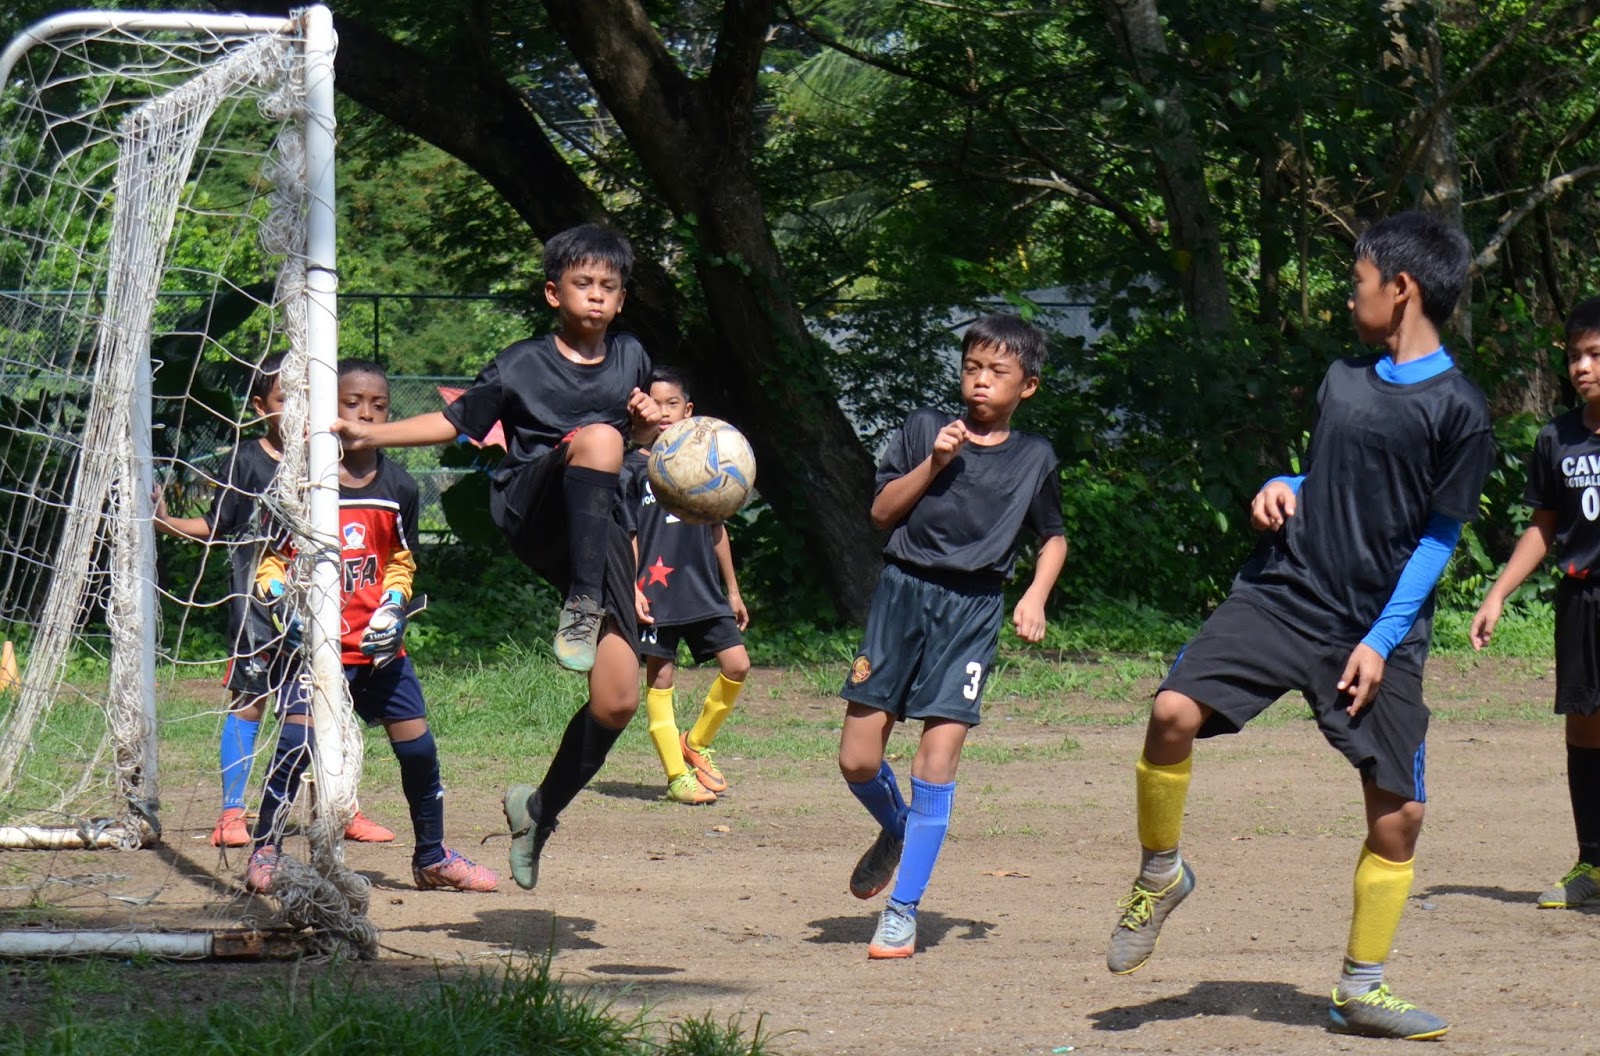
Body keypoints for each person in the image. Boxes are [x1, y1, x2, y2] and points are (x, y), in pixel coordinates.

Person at [1105, 212, 1495, 1041]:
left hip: (1375, 628)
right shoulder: (1342, 380)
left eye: (1358, 282)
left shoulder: (1460, 409)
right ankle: (1161, 872)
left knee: (1399, 815)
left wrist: (1379, 641)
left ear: (1401, 289)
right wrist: (1286, 483)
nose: (1349, 297)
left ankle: (1361, 989)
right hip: (1286, 591)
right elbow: (1334, 475)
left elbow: (1438, 537)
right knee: (1171, 712)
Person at [330, 224, 661, 890]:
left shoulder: (632, 357)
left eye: (609, 286)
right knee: (598, 439)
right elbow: (454, 423)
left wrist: (649, 431)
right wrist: (370, 432)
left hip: (599, 532)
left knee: (619, 699)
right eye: (583, 283)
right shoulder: (521, 364)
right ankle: (582, 604)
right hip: (534, 509)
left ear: (623, 299)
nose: (596, 295)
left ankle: (539, 812)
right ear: (553, 293)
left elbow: (635, 457)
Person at [837, 313, 1067, 960]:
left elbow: (1053, 537)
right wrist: (934, 463)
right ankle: (899, 828)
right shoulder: (923, 429)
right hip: (901, 596)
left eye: (998, 371)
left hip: (972, 610)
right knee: (857, 759)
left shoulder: (1035, 457)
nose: (981, 381)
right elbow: (881, 512)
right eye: (972, 368)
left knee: (935, 761)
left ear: (1027, 386)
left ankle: (902, 911)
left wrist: (1035, 596)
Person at [242, 359, 496, 895]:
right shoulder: (302, 483)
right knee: (295, 745)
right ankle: (265, 849)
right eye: (352, 402)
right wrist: (282, 601)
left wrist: (395, 606)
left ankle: (432, 857)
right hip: (315, 653)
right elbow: (271, 562)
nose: (365, 413)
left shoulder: (399, 484)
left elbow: (401, 561)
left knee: (419, 750)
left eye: (378, 405)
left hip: (379, 652)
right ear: (328, 408)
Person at [154, 353, 393, 848]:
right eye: (286, 399)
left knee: (330, 702)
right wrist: (167, 521)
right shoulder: (247, 460)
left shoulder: (333, 459)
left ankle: (339, 807)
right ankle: (232, 813)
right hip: (260, 610)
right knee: (251, 700)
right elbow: (217, 525)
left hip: (325, 609)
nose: (298, 409)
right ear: (261, 407)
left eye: (307, 399)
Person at [1470, 296, 1600, 910]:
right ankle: (1592, 861)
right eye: (1575, 356)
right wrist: (1498, 593)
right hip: (1580, 600)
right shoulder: (1557, 438)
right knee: (1586, 723)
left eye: (1594, 354)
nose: (1582, 367)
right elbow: (1543, 527)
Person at [620, 367, 752, 806]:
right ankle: (677, 776)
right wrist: (632, 587)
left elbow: (717, 529)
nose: (662, 413)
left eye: (672, 404)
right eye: (653, 404)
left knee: (737, 664)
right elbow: (629, 534)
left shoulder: (705, 464)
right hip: (655, 593)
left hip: (701, 587)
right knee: (661, 678)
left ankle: (696, 742)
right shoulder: (631, 469)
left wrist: (732, 590)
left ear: (688, 410)